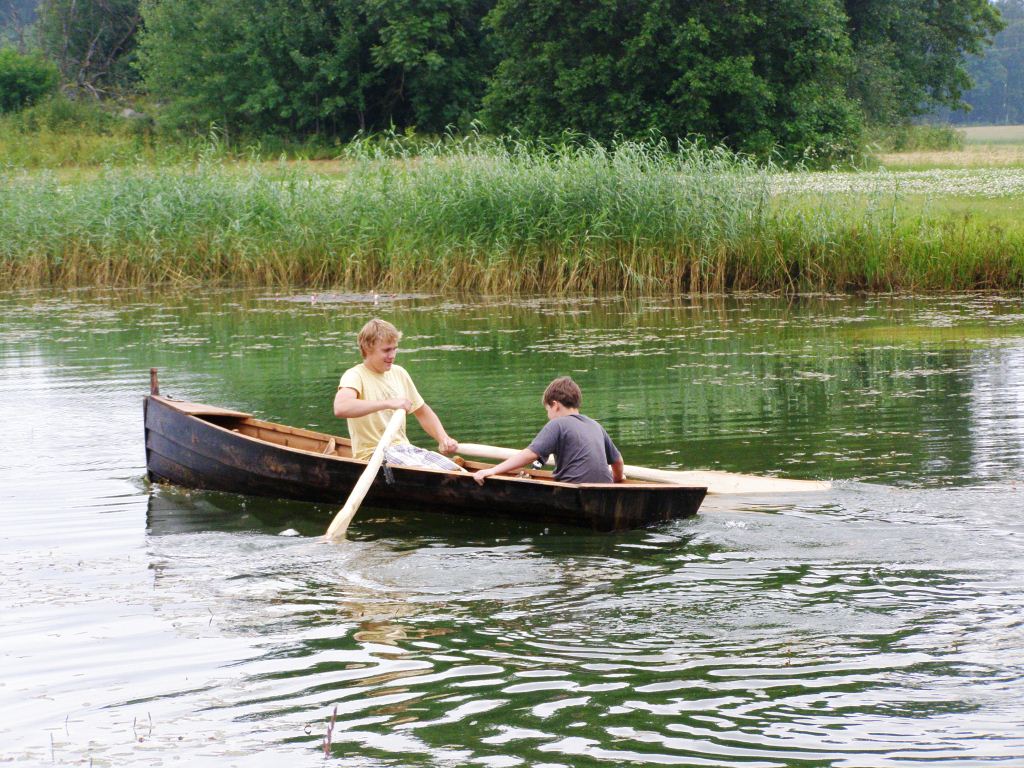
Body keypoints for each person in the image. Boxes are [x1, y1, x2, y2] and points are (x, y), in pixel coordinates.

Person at [334, 318, 462, 471]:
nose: (393, 355)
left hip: (405, 449)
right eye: (387, 350)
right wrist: (388, 403)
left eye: (395, 349)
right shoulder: (354, 375)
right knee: (433, 473)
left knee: (457, 470)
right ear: (368, 348)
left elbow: (422, 411)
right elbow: (341, 407)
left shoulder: (399, 373)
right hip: (375, 454)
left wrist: (443, 439)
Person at [473, 376, 624, 485]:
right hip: (606, 488)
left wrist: (492, 470)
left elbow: (530, 455)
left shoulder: (557, 424)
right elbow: (618, 461)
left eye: (547, 410)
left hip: (573, 491)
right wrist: (616, 481)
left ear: (555, 405)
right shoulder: (595, 425)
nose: (548, 416)